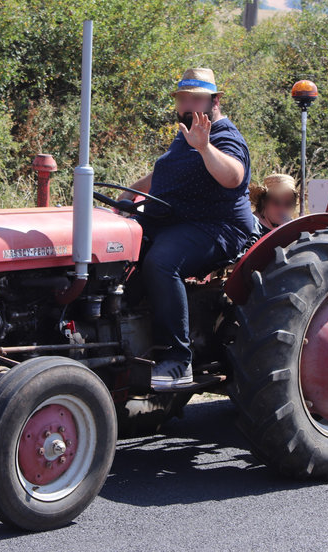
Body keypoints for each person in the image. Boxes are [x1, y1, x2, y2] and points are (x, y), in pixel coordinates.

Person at [118, 68, 254, 389]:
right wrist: (128, 194)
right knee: (116, 245)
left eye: (195, 97)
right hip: (174, 219)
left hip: (216, 227)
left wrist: (205, 148)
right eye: (183, 98)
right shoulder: (186, 134)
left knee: (162, 262)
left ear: (215, 100)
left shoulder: (224, 136)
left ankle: (178, 359)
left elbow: (234, 175)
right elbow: (165, 173)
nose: (187, 104)